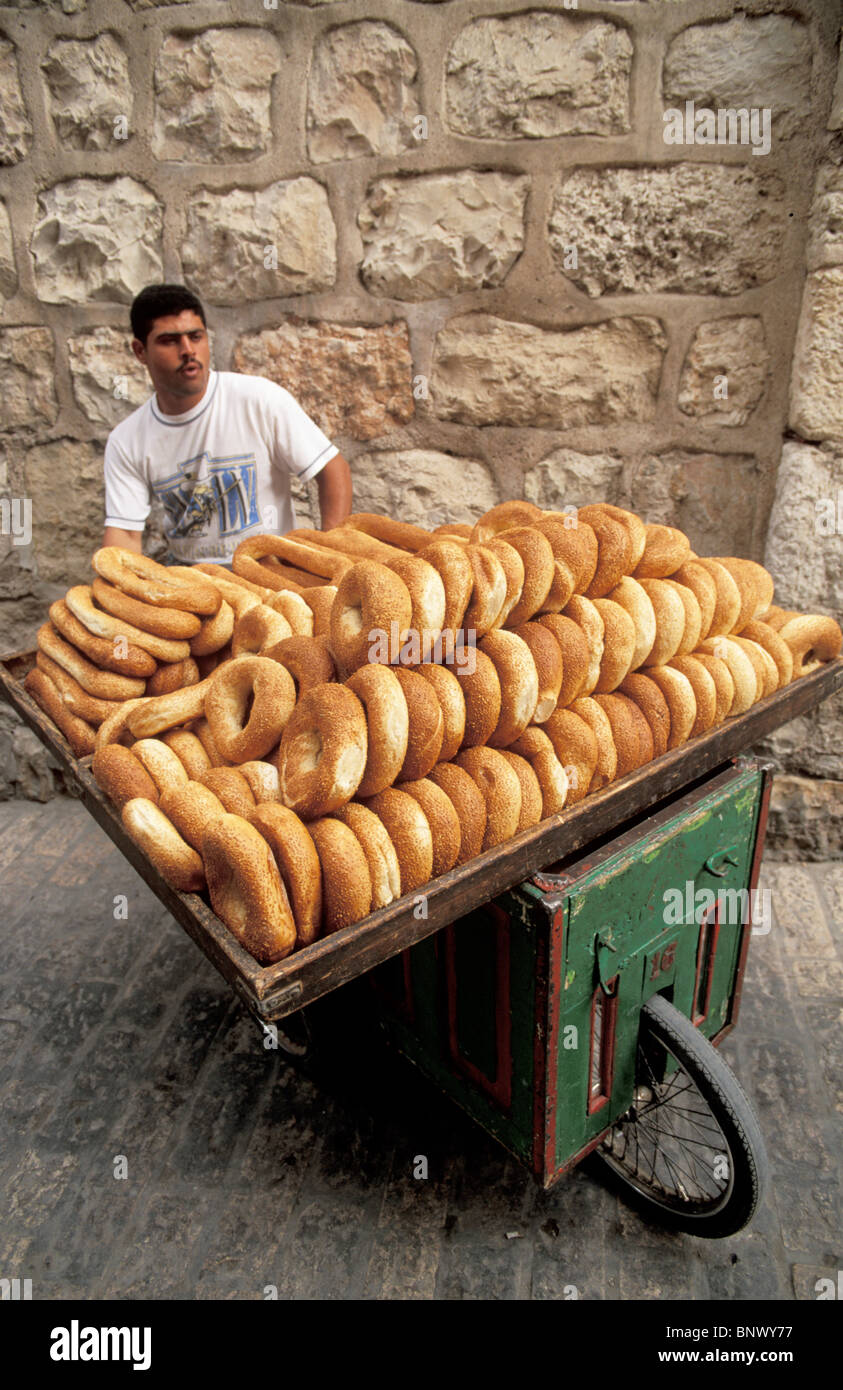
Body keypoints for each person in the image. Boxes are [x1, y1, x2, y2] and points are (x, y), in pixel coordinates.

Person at [101, 284, 352, 565]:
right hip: (190, 582)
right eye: (169, 341)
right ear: (140, 351)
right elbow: (124, 534)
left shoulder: (259, 400)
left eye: (195, 336)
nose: (187, 350)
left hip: (271, 571)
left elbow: (332, 470)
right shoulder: (127, 439)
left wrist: (330, 557)